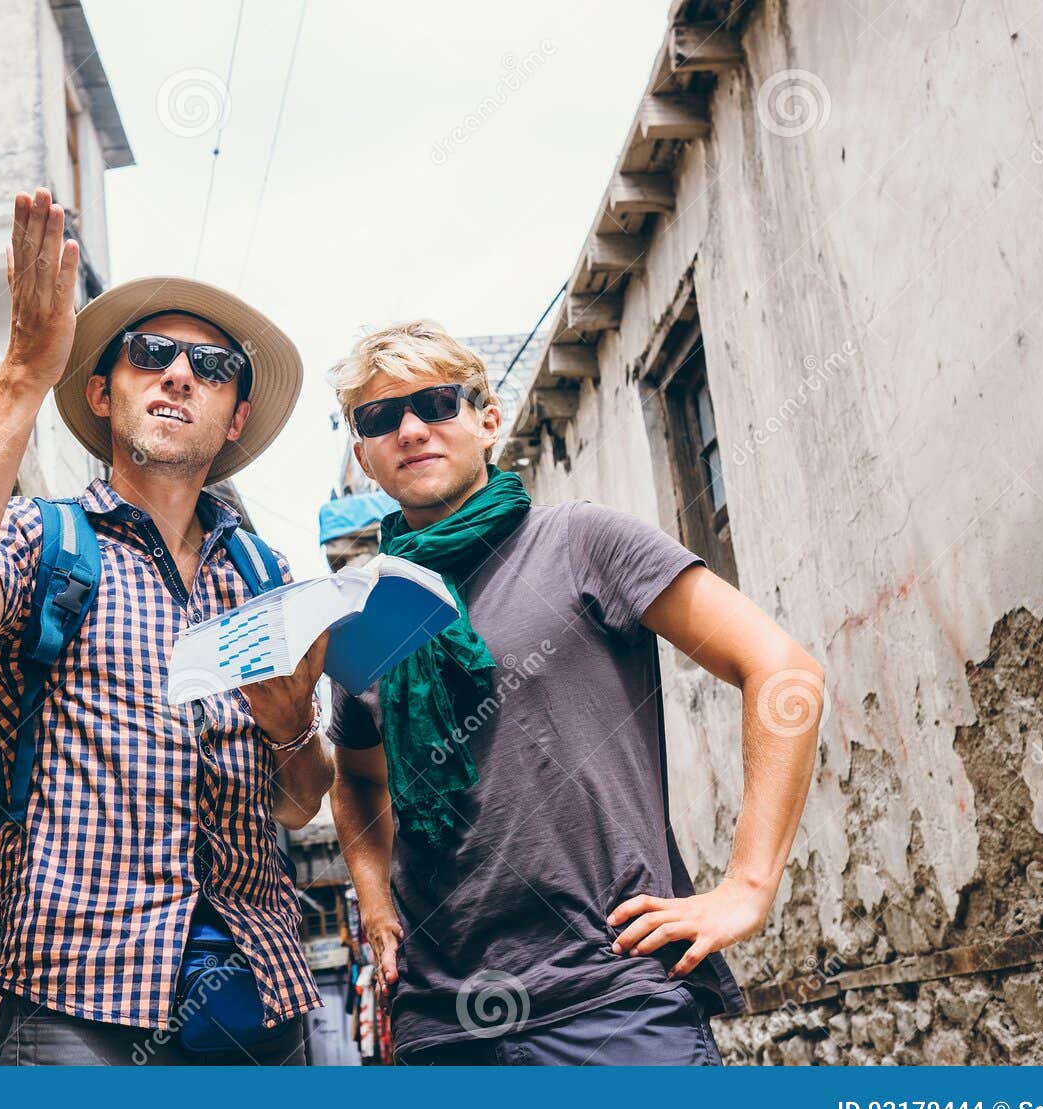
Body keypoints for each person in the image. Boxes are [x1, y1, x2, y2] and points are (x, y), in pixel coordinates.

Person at [0, 188, 331, 1065]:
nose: (179, 375)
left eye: (212, 367)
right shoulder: (42, 539)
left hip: (262, 1007)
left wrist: (291, 730)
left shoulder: (266, 578)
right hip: (79, 1008)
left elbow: (299, 800)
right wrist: (23, 371)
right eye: (151, 354)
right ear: (101, 389)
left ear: (235, 417)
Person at [326, 320, 822, 1065]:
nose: (411, 429)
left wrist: (747, 886)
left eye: (436, 403)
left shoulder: (582, 542)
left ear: (488, 421)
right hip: (443, 1022)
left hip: (612, 997)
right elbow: (359, 782)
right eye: (379, 417)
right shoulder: (367, 614)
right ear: (364, 454)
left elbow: (783, 670)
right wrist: (373, 899)